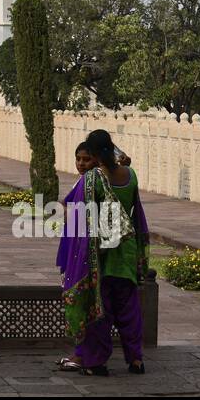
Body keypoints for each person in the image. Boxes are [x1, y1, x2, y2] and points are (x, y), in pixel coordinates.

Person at [55, 134, 148, 376]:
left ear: (95, 155)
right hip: (125, 251)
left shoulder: (92, 179)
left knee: (99, 310)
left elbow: (74, 213)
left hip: (98, 254)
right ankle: (136, 359)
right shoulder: (130, 175)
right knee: (129, 308)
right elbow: (134, 210)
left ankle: (96, 362)